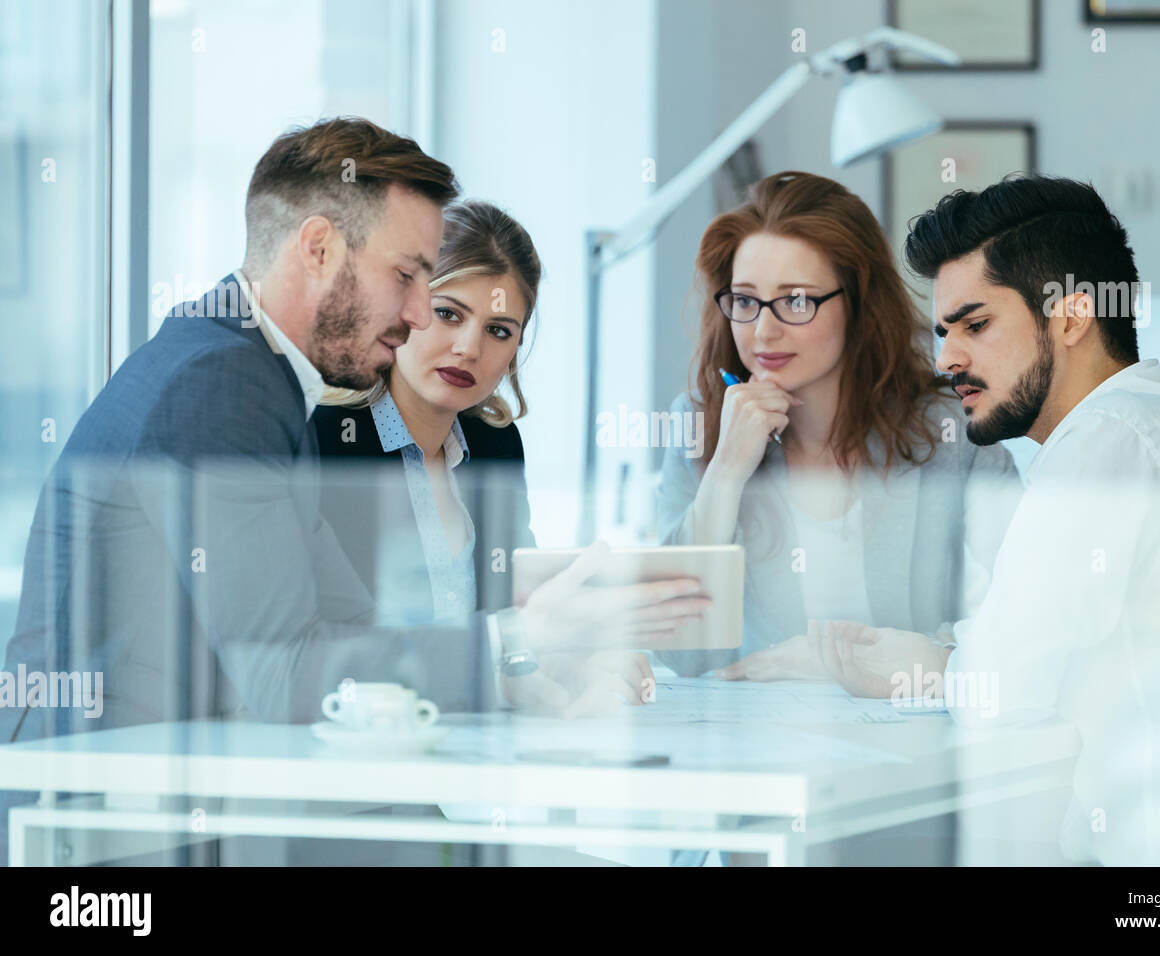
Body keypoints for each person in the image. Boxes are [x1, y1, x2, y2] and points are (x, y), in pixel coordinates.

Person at [0, 118, 702, 861]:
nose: (414, 314)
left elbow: (347, 625)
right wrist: (519, 641)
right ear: (317, 248)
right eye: (406, 277)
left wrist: (531, 665)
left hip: (166, 806)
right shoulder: (222, 382)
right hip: (106, 833)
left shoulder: (258, 372)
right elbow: (284, 671)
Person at [813, 174, 1160, 865]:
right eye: (943, 331)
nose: (947, 359)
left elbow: (1002, 696)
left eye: (976, 325)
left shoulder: (1105, 446)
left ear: (1071, 317)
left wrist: (922, 668)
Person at [656, 171, 1021, 683]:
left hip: (907, 734)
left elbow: (1033, 603)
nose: (763, 330)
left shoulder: (947, 429)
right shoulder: (697, 421)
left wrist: (921, 656)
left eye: (797, 300)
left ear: (858, 301)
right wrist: (724, 475)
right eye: (744, 300)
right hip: (753, 734)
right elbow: (679, 653)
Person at [313, 199, 673, 715]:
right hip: (364, 738)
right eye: (448, 314)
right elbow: (329, 648)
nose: (468, 347)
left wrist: (575, 655)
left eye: (498, 330)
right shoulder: (325, 441)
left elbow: (512, 619)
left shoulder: (493, 444)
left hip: (472, 733)